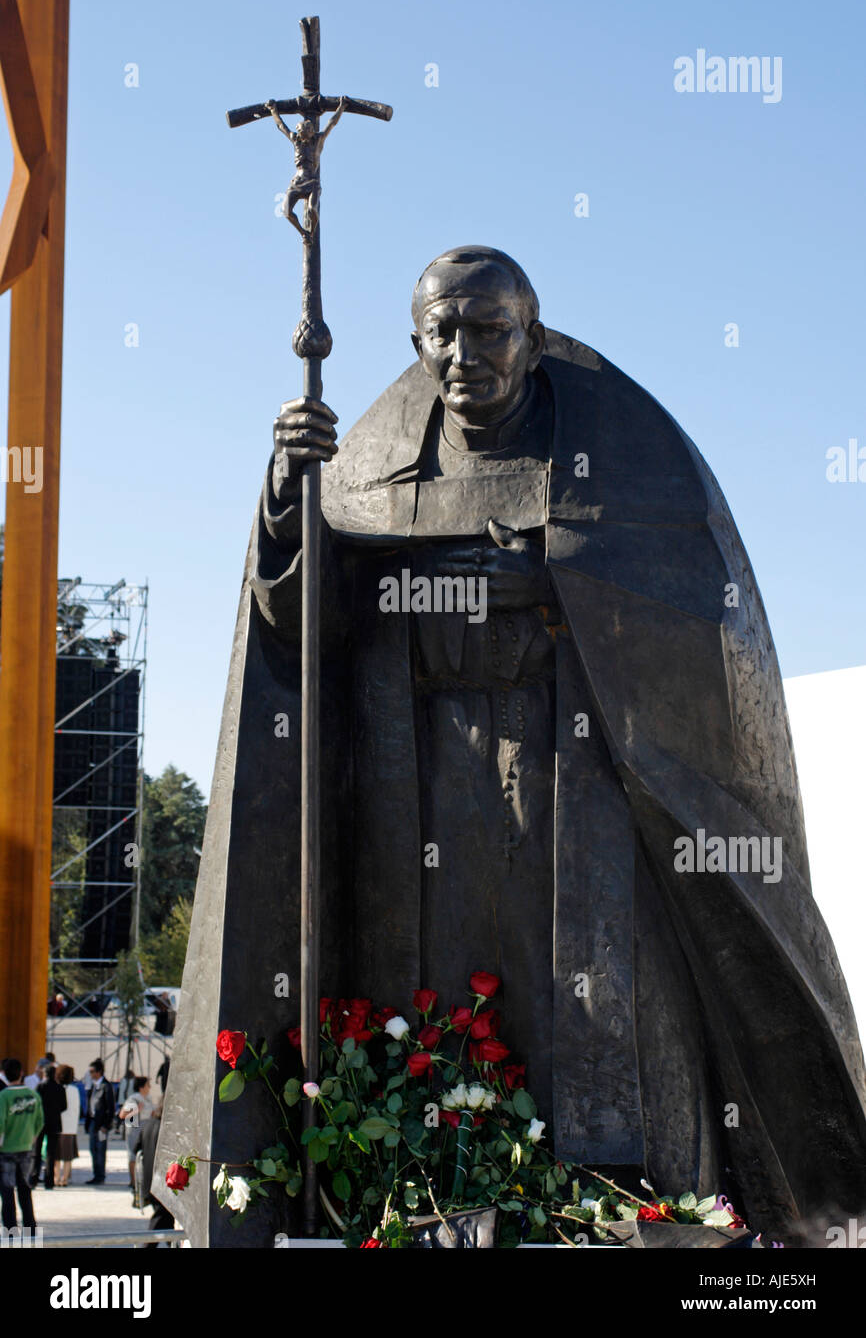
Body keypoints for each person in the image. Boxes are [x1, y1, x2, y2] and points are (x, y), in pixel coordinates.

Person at [157, 245, 866, 1249]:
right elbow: (294, 629)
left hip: (576, 786)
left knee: (596, 1003)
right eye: (440, 330)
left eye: (487, 328)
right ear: (415, 341)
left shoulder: (627, 463)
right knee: (436, 1009)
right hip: (421, 801)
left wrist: (549, 596)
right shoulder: (363, 466)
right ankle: (433, 1197)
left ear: (531, 339)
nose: (461, 351)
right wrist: (288, 492)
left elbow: (690, 635)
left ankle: (622, 1208)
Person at [0, 1058, 43, 1235]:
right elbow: (40, 1122)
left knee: (8, 1192)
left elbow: (0, 1124)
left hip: (6, 1151)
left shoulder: (3, 1096)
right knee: (25, 1191)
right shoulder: (33, 1096)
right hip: (26, 1149)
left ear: (4, 1074)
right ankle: (31, 1231)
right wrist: (31, 1138)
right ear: (21, 1073)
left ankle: (11, 1233)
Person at [136, 1101, 175, 1245]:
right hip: (164, 1183)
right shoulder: (169, 1129)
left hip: (149, 1181)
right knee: (160, 1219)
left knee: (167, 1221)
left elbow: (137, 1149)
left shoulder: (148, 1125)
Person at [33, 1064, 65, 1190]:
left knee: (37, 1151)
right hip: (55, 1122)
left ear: (45, 1074)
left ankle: (34, 1178)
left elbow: (35, 1104)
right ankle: (49, 1180)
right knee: (51, 1152)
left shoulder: (40, 1086)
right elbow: (64, 1106)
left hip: (41, 1122)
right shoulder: (60, 1088)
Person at [84, 1058, 115, 1185]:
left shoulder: (106, 1086)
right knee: (93, 1149)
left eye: (92, 1072)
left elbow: (110, 1108)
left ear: (99, 1072)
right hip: (92, 1122)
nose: (90, 1075)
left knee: (100, 1149)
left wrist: (106, 1125)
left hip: (101, 1125)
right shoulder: (93, 1087)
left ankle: (100, 1175)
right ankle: (95, 1173)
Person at [119, 1076, 153, 1189]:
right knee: (133, 1156)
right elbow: (122, 1115)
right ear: (141, 1087)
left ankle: (144, 1180)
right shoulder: (133, 1099)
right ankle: (133, 1181)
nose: (150, 1087)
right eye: (148, 1085)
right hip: (134, 1129)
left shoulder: (148, 1098)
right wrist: (137, 1109)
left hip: (146, 1129)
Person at [54, 1064, 79, 1186]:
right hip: (71, 1126)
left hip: (58, 1126)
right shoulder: (74, 1090)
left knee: (56, 1155)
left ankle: (56, 1177)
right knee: (68, 1156)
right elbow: (77, 1109)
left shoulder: (57, 1089)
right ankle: (65, 1179)